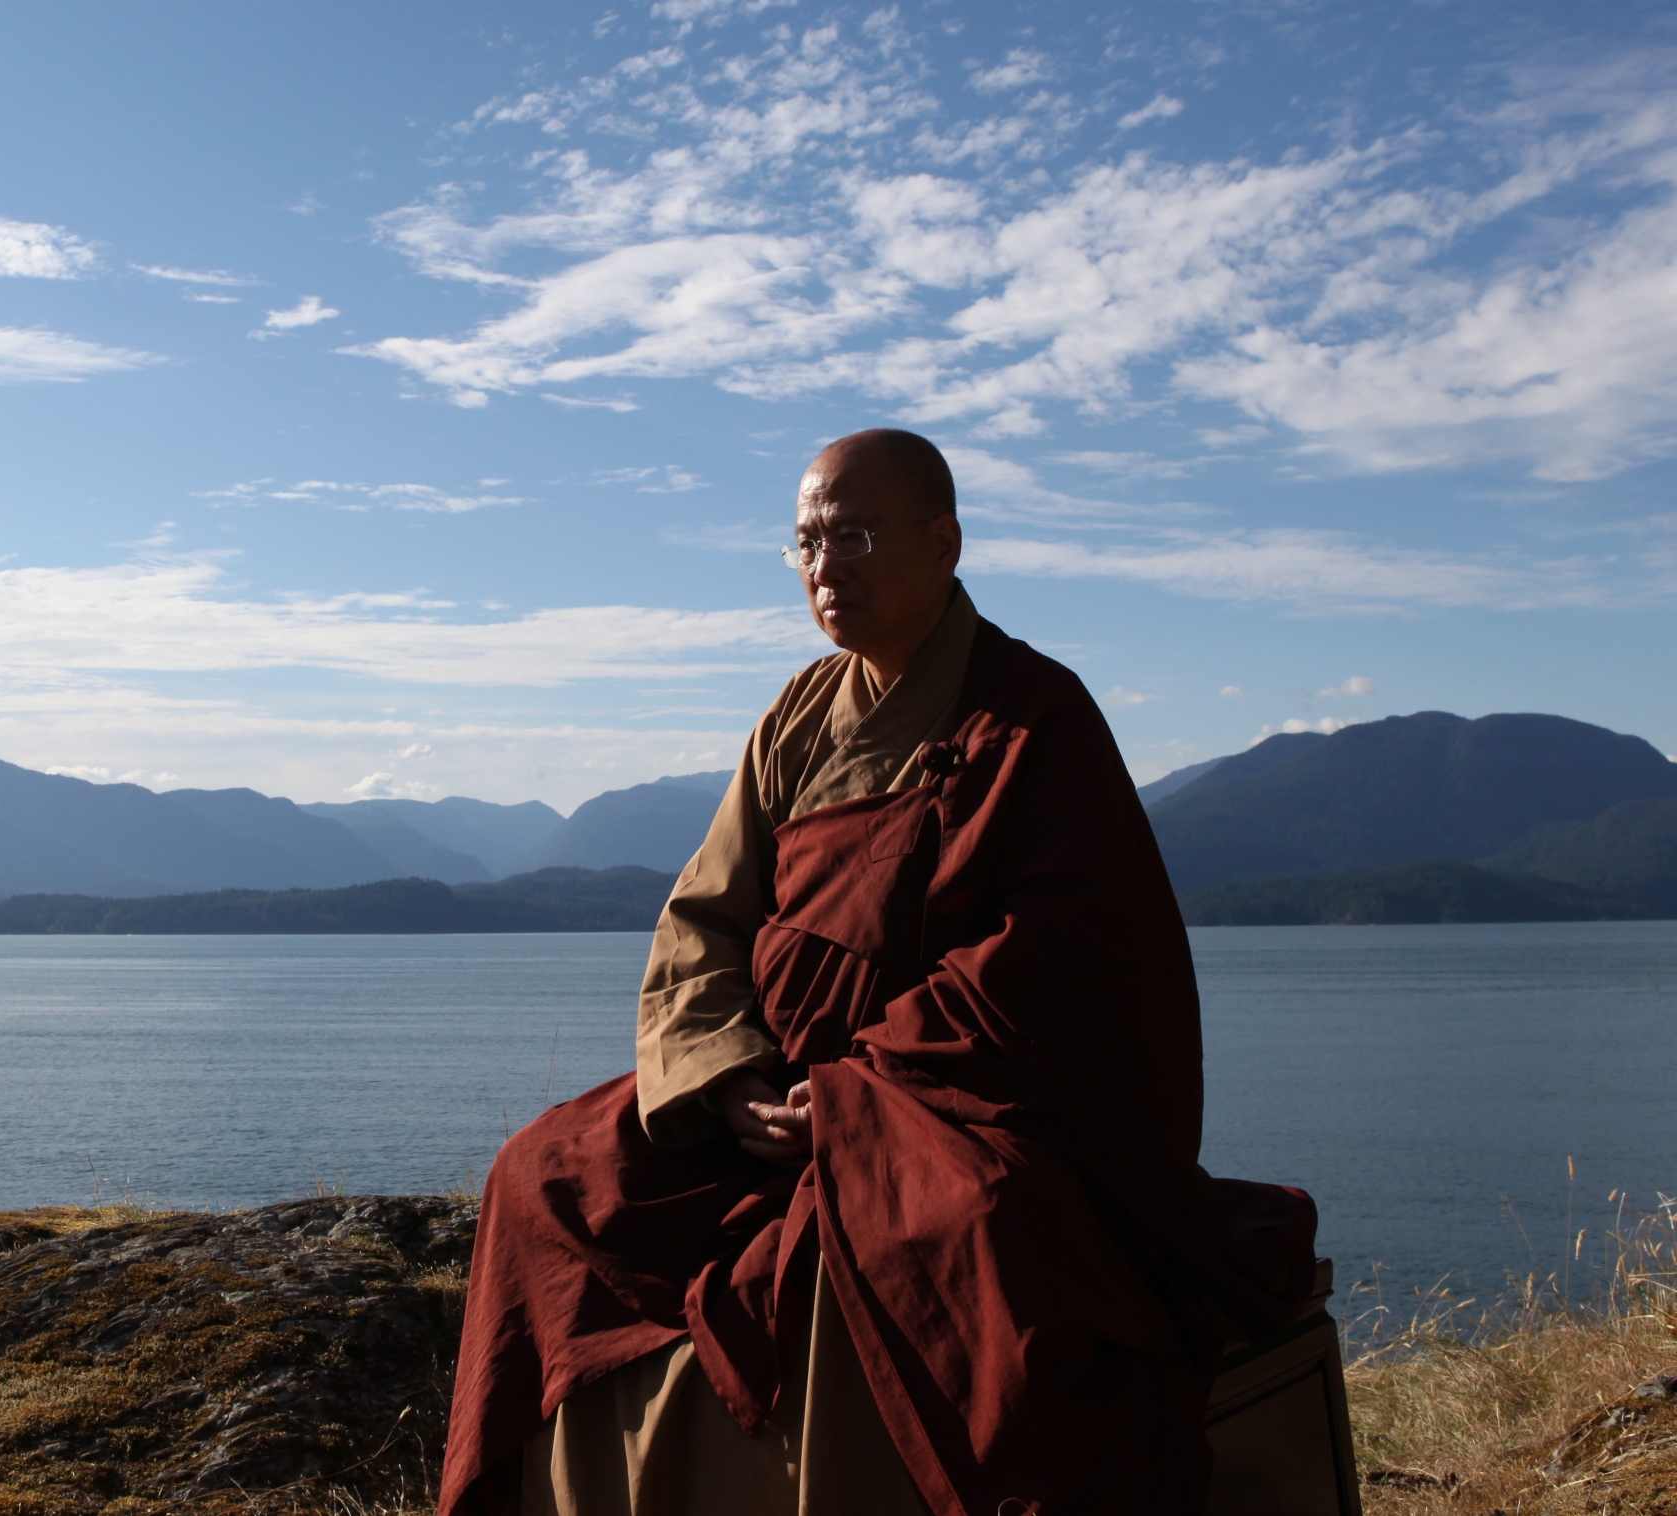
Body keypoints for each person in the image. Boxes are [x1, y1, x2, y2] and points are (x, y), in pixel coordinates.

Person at [440, 429, 1318, 1516]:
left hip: (947, 1104)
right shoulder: (798, 717)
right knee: (545, 1173)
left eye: (853, 535)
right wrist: (730, 1079)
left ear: (943, 543)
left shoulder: (1032, 719)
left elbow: (1050, 964)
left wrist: (857, 1096)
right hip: (766, 1097)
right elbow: (701, 923)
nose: (824, 567)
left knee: (960, 1245)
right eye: (805, 542)